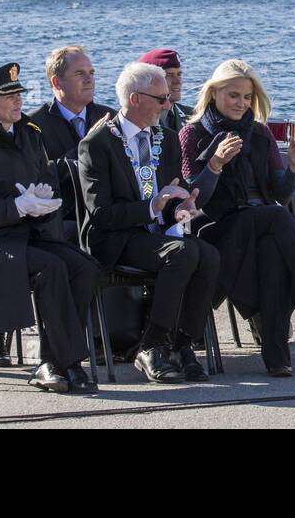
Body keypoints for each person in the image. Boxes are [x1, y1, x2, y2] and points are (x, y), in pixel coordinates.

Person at [178, 59, 295, 377]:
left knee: (274, 252)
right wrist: (215, 164)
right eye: (234, 95)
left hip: (264, 225)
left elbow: (281, 193)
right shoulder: (192, 134)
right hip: (218, 227)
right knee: (276, 219)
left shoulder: (259, 133)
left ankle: (277, 358)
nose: (241, 103)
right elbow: (193, 200)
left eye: (247, 97)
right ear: (215, 92)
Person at [0, 63, 101, 393]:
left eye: (19, 94)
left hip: (30, 234)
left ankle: (55, 360)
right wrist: (16, 206)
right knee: (51, 268)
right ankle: (60, 362)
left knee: (84, 267)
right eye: (8, 95)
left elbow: (45, 180)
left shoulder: (30, 134)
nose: (18, 101)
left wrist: (44, 201)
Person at [78, 62, 225, 384]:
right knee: (182, 253)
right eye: (161, 99)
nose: (168, 104)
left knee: (209, 254)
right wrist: (151, 206)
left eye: (168, 98)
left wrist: (180, 207)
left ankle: (182, 343)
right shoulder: (97, 144)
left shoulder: (166, 138)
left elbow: (169, 199)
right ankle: (151, 344)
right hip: (116, 238)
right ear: (135, 99)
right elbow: (101, 213)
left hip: (154, 235)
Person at [29, 45, 111, 231]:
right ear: (57, 82)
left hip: (107, 214)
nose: (89, 79)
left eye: (91, 72)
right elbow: (40, 178)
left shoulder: (109, 117)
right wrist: (85, 147)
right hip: (63, 218)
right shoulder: (33, 126)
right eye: (79, 74)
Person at [138, 48, 193, 133]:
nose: (178, 81)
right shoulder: (134, 119)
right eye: (169, 75)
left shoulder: (193, 116)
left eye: (179, 74)